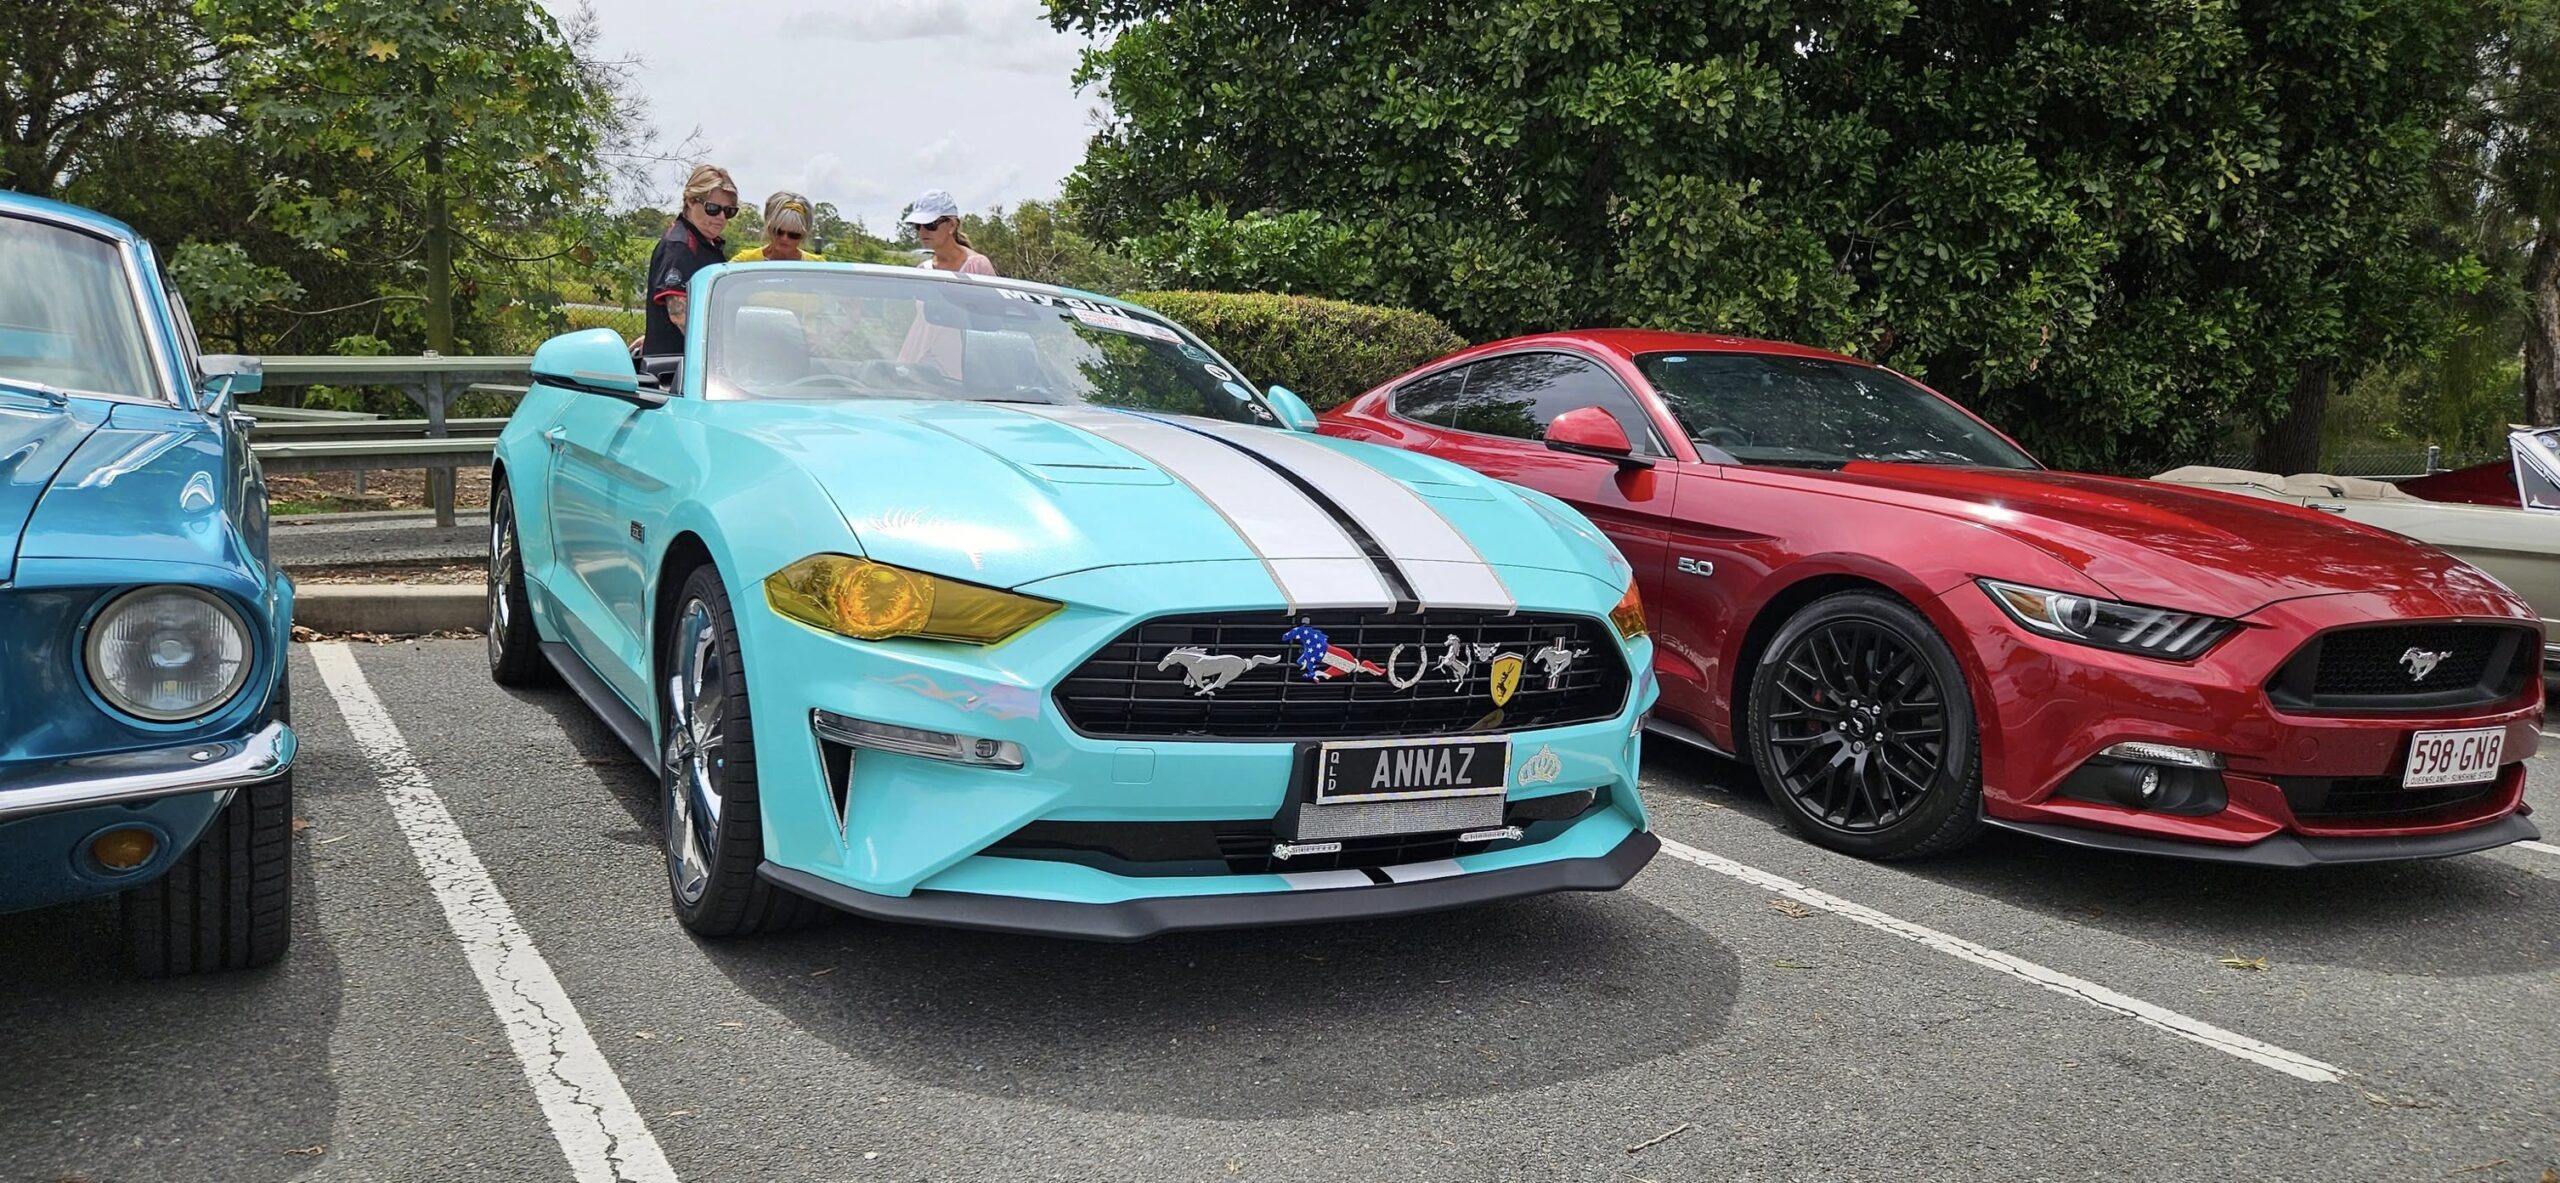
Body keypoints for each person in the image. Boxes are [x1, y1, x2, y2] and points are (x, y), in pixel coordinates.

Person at [642, 164, 737, 357]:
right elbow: (679, 316)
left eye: (728, 211)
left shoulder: (705, 243)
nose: (721, 217)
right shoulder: (680, 246)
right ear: (690, 201)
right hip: (676, 369)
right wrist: (722, 354)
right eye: (713, 208)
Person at [898, 189, 993, 378]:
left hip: (960, 374)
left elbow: (991, 322)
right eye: (918, 226)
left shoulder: (977, 266)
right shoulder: (922, 271)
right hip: (915, 369)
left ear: (951, 225)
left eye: (930, 225)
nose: (923, 231)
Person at [732, 191, 824, 262]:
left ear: (804, 235)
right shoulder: (745, 261)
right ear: (768, 227)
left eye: (793, 235)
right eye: (778, 231)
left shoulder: (817, 266)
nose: (784, 239)